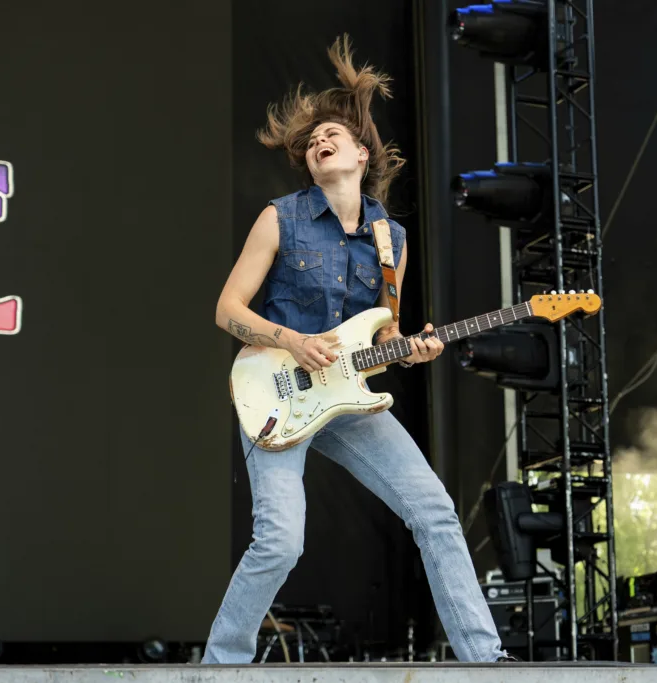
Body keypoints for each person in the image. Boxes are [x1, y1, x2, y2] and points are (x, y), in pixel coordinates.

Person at [201, 35, 509, 664]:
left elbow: (386, 336)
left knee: (435, 512)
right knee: (281, 541)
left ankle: (485, 660)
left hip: (351, 400)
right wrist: (292, 340)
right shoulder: (279, 218)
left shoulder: (389, 237)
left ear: (361, 153)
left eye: (332, 136)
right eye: (312, 142)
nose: (318, 143)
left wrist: (413, 349)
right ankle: (221, 666)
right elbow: (227, 310)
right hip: (276, 393)